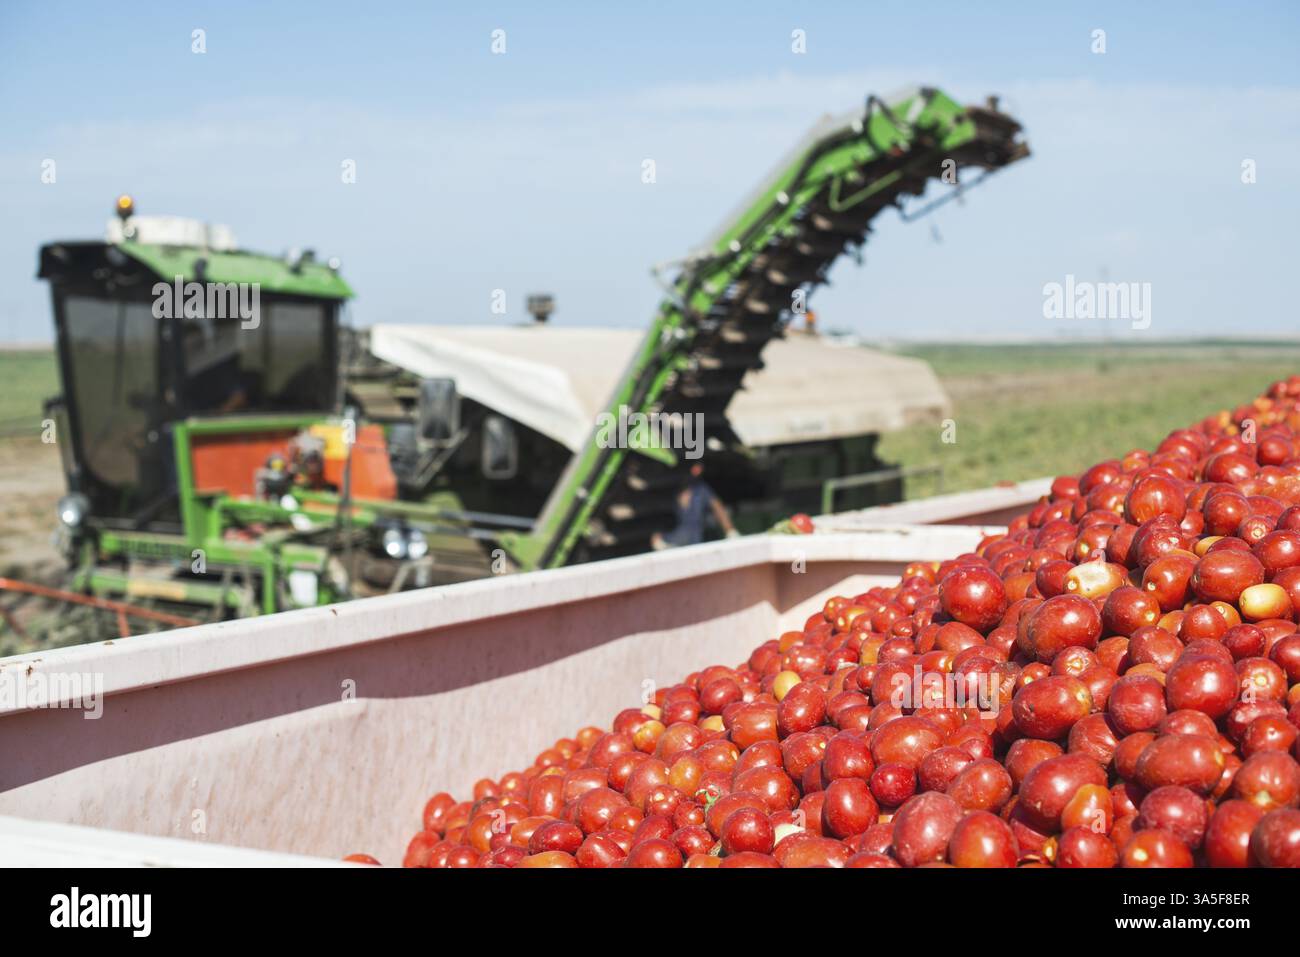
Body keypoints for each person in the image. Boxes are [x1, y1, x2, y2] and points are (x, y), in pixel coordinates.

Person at [650, 462, 738, 550]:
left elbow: (718, 508)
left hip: (695, 538)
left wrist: (730, 530)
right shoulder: (674, 490)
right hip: (678, 538)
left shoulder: (701, 490)